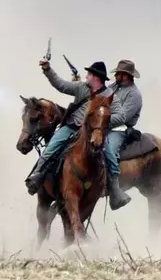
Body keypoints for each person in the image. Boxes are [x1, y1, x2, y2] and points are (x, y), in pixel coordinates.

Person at [25, 59, 108, 196]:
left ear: (96, 77)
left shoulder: (108, 95)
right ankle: (36, 177)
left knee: (108, 157)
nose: (86, 76)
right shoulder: (81, 87)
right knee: (49, 150)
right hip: (72, 127)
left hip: (93, 132)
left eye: (89, 74)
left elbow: (116, 114)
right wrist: (47, 69)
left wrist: (103, 125)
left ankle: (109, 187)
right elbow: (60, 84)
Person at [102, 60, 140, 210]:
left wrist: (100, 122)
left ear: (125, 76)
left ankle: (115, 190)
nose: (115, 75)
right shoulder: (113, 87)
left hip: (119, 129)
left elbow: (122, 117)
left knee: (109, 149)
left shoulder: (134, 95)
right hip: (102, 126)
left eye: (118, 73)